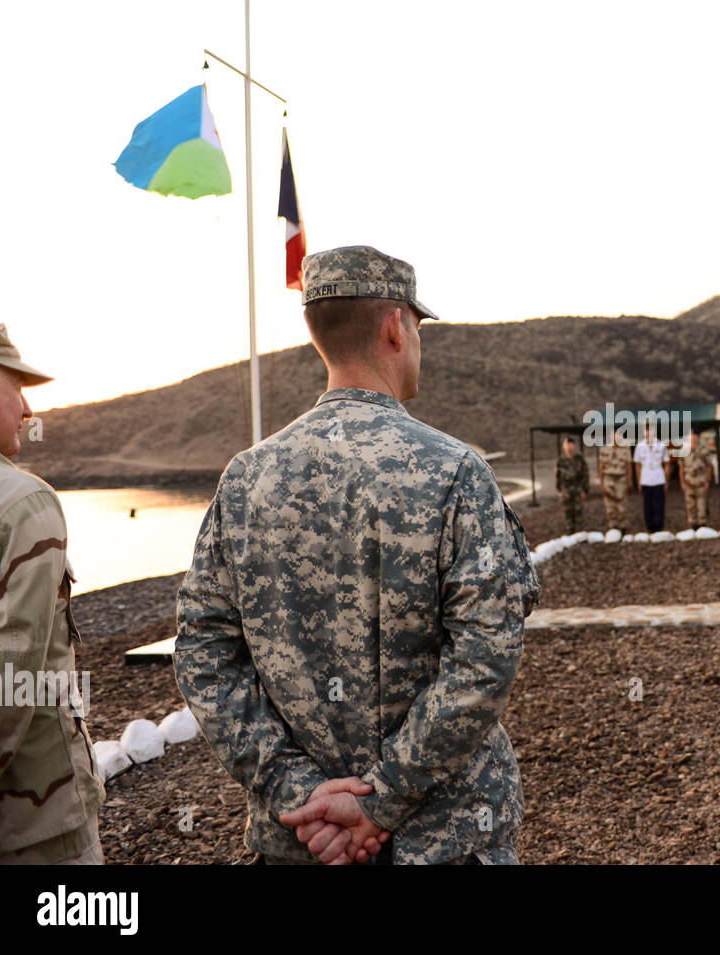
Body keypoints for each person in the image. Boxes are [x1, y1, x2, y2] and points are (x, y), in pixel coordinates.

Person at [175, 246, 539, 865]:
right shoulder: (453, 472)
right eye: (418, 326)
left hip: (300, 841)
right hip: (442, 840)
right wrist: (383, 799)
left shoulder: (245, 479)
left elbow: (204, 650)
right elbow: (485, 655)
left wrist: (298, 791)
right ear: (396, 325)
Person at [0, 327, 104, 865]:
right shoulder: (21, 502)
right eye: (16, 385)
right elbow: (5, 686)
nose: (28, 407)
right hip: (33, 826)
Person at [632, 422, 670, 533]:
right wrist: (639, 481)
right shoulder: (639, 446)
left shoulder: (662, 446)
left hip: (659, 478)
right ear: (644, 432)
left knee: (660, 505)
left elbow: (667, 464)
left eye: (650, 430)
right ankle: (650, 527)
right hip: (646, 479)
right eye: (646, 430)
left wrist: (667, 481)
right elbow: (638, 465)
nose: (648, 433)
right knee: (647, 506)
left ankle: (659, 527)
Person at [678, 430, 715, 528]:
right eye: (691, 436)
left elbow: (710, 466)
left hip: (701, 482)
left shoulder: (705, 450)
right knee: (690, 506)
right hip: (689, 482)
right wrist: (682, 482)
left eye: (694, 436)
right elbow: (681, 466)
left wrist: (708, 481)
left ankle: (703, 525)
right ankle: (693, 525)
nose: (692, 438)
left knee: (702, 505)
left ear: (698, 437)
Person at [554, 435, 589, 534]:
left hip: (578, 489)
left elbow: (585, 474)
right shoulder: (560, 461)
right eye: (567, 444)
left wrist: (584, 489)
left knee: (578, 510)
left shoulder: (579, 459)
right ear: (563, 446)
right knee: (568, 511)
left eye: (571, 444)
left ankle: (580, 530)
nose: (569, 446)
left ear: (574, 446)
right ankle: (570, 529)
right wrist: (559, 490)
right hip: (566, 490)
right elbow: (558, 476)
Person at [598, 432, 631, 532]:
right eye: (613, 435)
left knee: (622, 506)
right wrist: (602, 483)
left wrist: (629, 482)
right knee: (610, 505)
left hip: (621, 479)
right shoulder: (604, 449)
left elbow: (628, 466)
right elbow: (601, 467)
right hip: (608, 479)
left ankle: (623, 526)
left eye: (618, 435)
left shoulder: (625, 449)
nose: (616, 438)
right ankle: (613, 526)